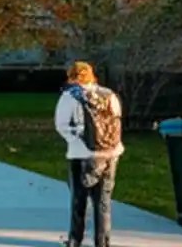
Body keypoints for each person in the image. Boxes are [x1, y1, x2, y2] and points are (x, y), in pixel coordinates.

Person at [54, 61, 124, 247]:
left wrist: (77, 140)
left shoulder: (70, 97)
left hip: (81, 155)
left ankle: (75, 240)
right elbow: (117, 121)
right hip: (110, 154)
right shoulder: (109, 95)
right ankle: (102, 242)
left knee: (79, 200)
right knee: (103, 202)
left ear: (72, 76)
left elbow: (61, 125)